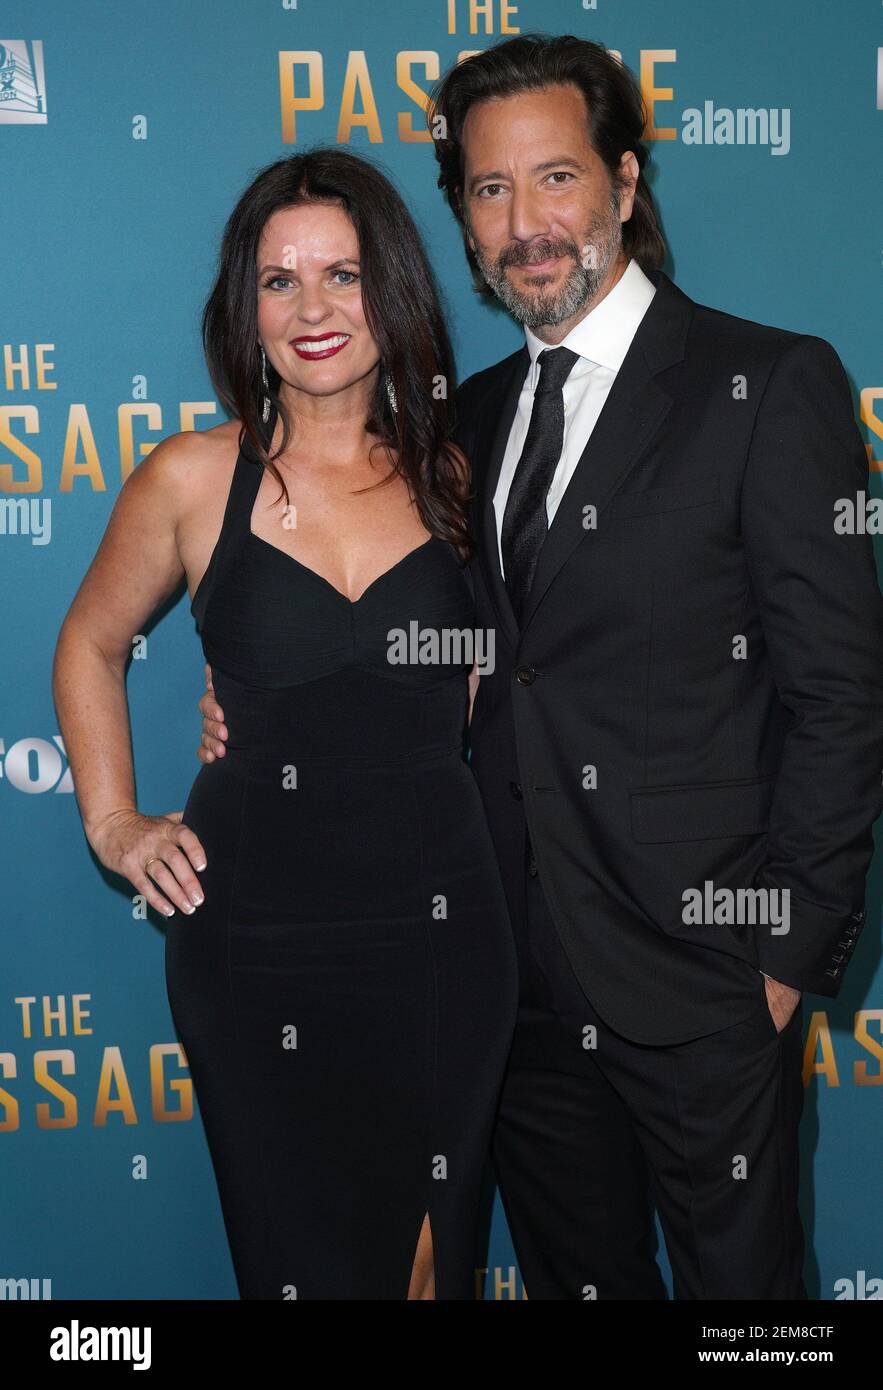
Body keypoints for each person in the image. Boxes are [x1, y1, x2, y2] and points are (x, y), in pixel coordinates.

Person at [201, 36, 883, 1301]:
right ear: (461, 219)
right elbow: (431, 647)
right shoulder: (463, 424)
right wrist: (260, 699)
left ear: (624, 185)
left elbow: (843, 700)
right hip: (507, 985)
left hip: (707, 982)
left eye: (556, 179)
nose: (527, 224)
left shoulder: (766, 383)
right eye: (490, 190)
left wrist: (781, 965)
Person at [53, 147, 519, 1300]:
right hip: (256, 939)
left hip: (441, 929)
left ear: (393, 290)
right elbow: (90, 643)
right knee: (299, 1266)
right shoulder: (190, 478)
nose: (312, 309)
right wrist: (114, 823)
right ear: (244, 307)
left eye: (342, 275)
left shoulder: (459, 476)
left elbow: (496, 683)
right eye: (279, 280)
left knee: (430, 1260)